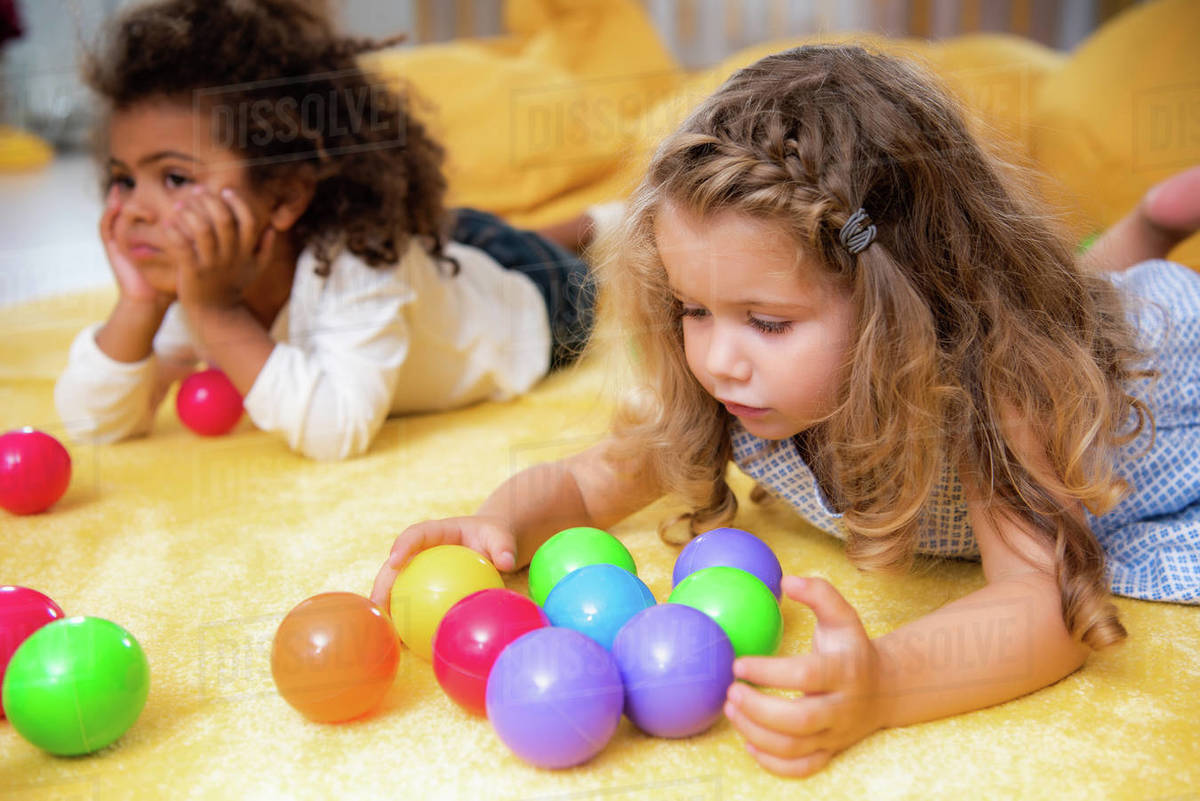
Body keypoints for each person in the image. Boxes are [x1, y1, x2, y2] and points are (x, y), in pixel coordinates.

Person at [372, 43, 1200, 777]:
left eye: (768, 322)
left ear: (900, 304)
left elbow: (1040, 604)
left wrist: (885, 682)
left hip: (1169, 358)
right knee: (1098, 295)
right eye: (694, 309)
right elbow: (591, 485)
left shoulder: (993, 384)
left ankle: (1148, 230)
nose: (720, 356)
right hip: (1093, 316)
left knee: (1117, 310)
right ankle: (1153, 220)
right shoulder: (734, 386)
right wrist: (497, 526)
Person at [54, 0, 594, 461]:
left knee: (585, 260)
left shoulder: (356, 263)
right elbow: (94, 424)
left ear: (286, 195)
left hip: (527, 306)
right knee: (464, 239)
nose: (135, 209)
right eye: (122, 178)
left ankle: (600, 223)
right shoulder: (197, 276)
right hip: (442, 266)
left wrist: (216, 315)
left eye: (174, 178)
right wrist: (140, 304)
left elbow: (339, 429)